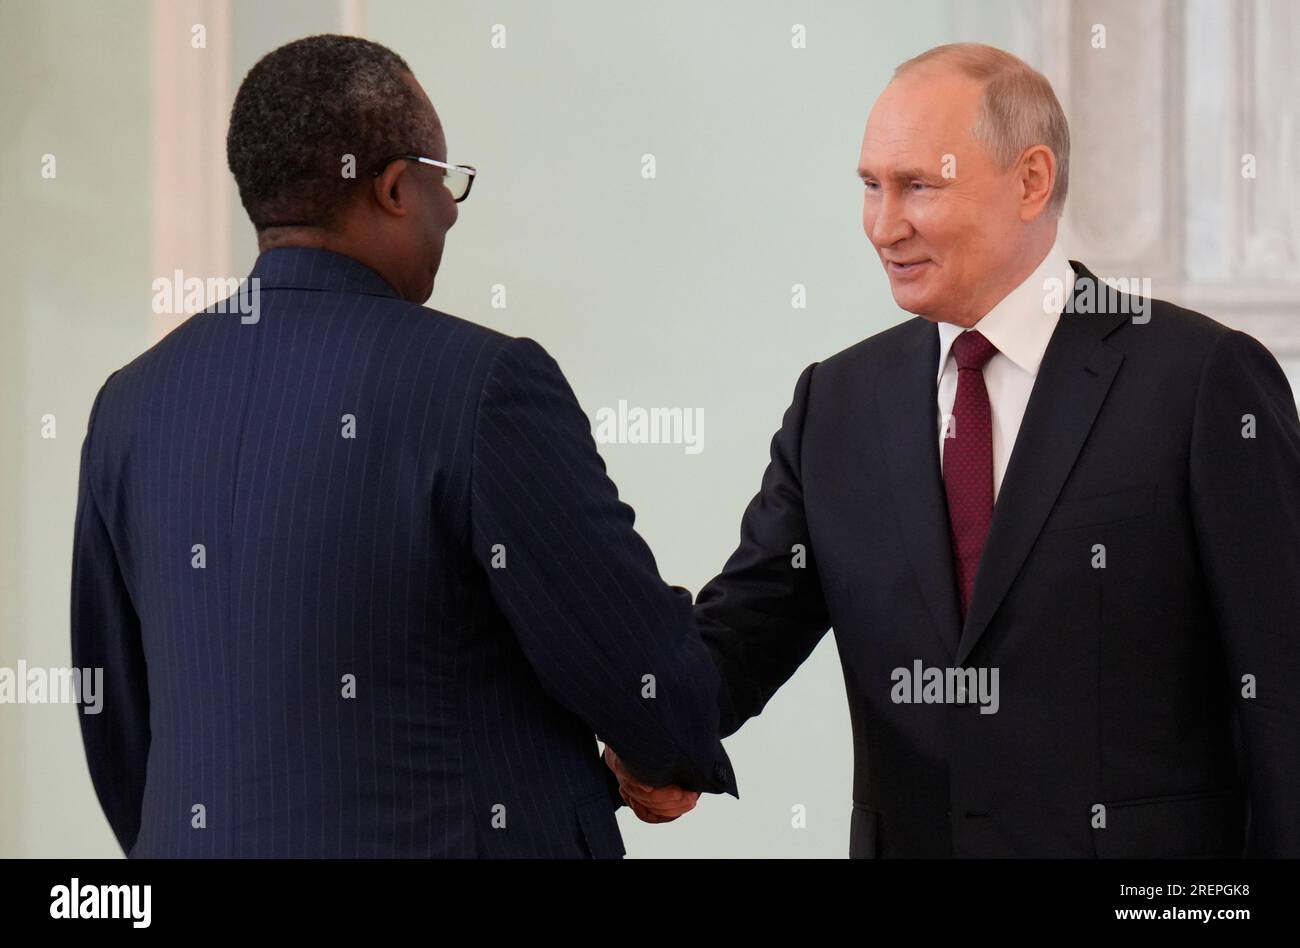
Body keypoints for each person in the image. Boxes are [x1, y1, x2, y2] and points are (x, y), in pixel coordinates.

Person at [607, 42, 1300, 858]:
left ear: (1031, 181)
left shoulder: (1201, 380)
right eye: (871, 185)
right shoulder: (836, 402)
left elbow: (1283, 692)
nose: (883, 225)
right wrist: (650, 728)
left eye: (918, 186)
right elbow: (745, 631)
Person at [71, 34, 735, 859]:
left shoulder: (130, 405)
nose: (450, 208)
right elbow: (635, 663)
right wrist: (665, 748)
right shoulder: (482, 386)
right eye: (441, 180)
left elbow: (118, 721)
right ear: (392, 188)